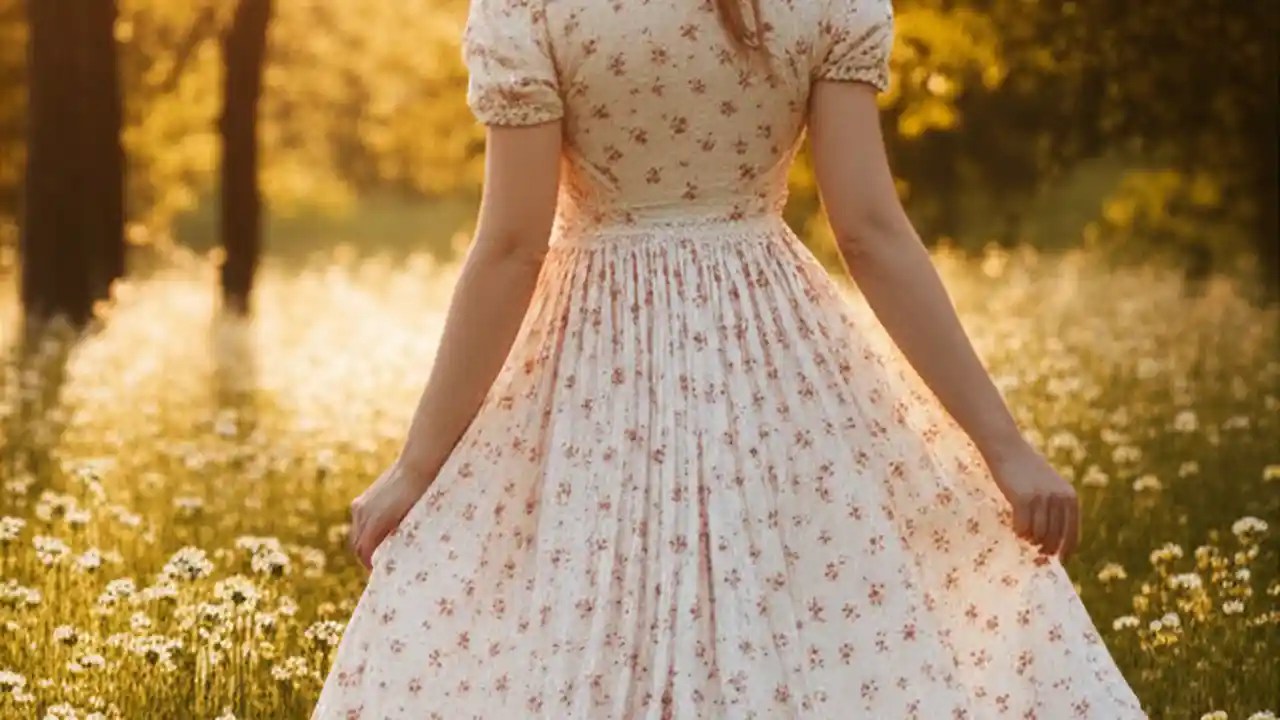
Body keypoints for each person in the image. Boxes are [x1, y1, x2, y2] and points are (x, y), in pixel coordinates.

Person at [313, 0, 1148, 716]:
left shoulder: (529, 5)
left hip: (596, 368)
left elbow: (511, 248)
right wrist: (1005, 448)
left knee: (594, 626)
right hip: (773, 356)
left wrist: (417, 469)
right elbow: (870, 232)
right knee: (794, 623)